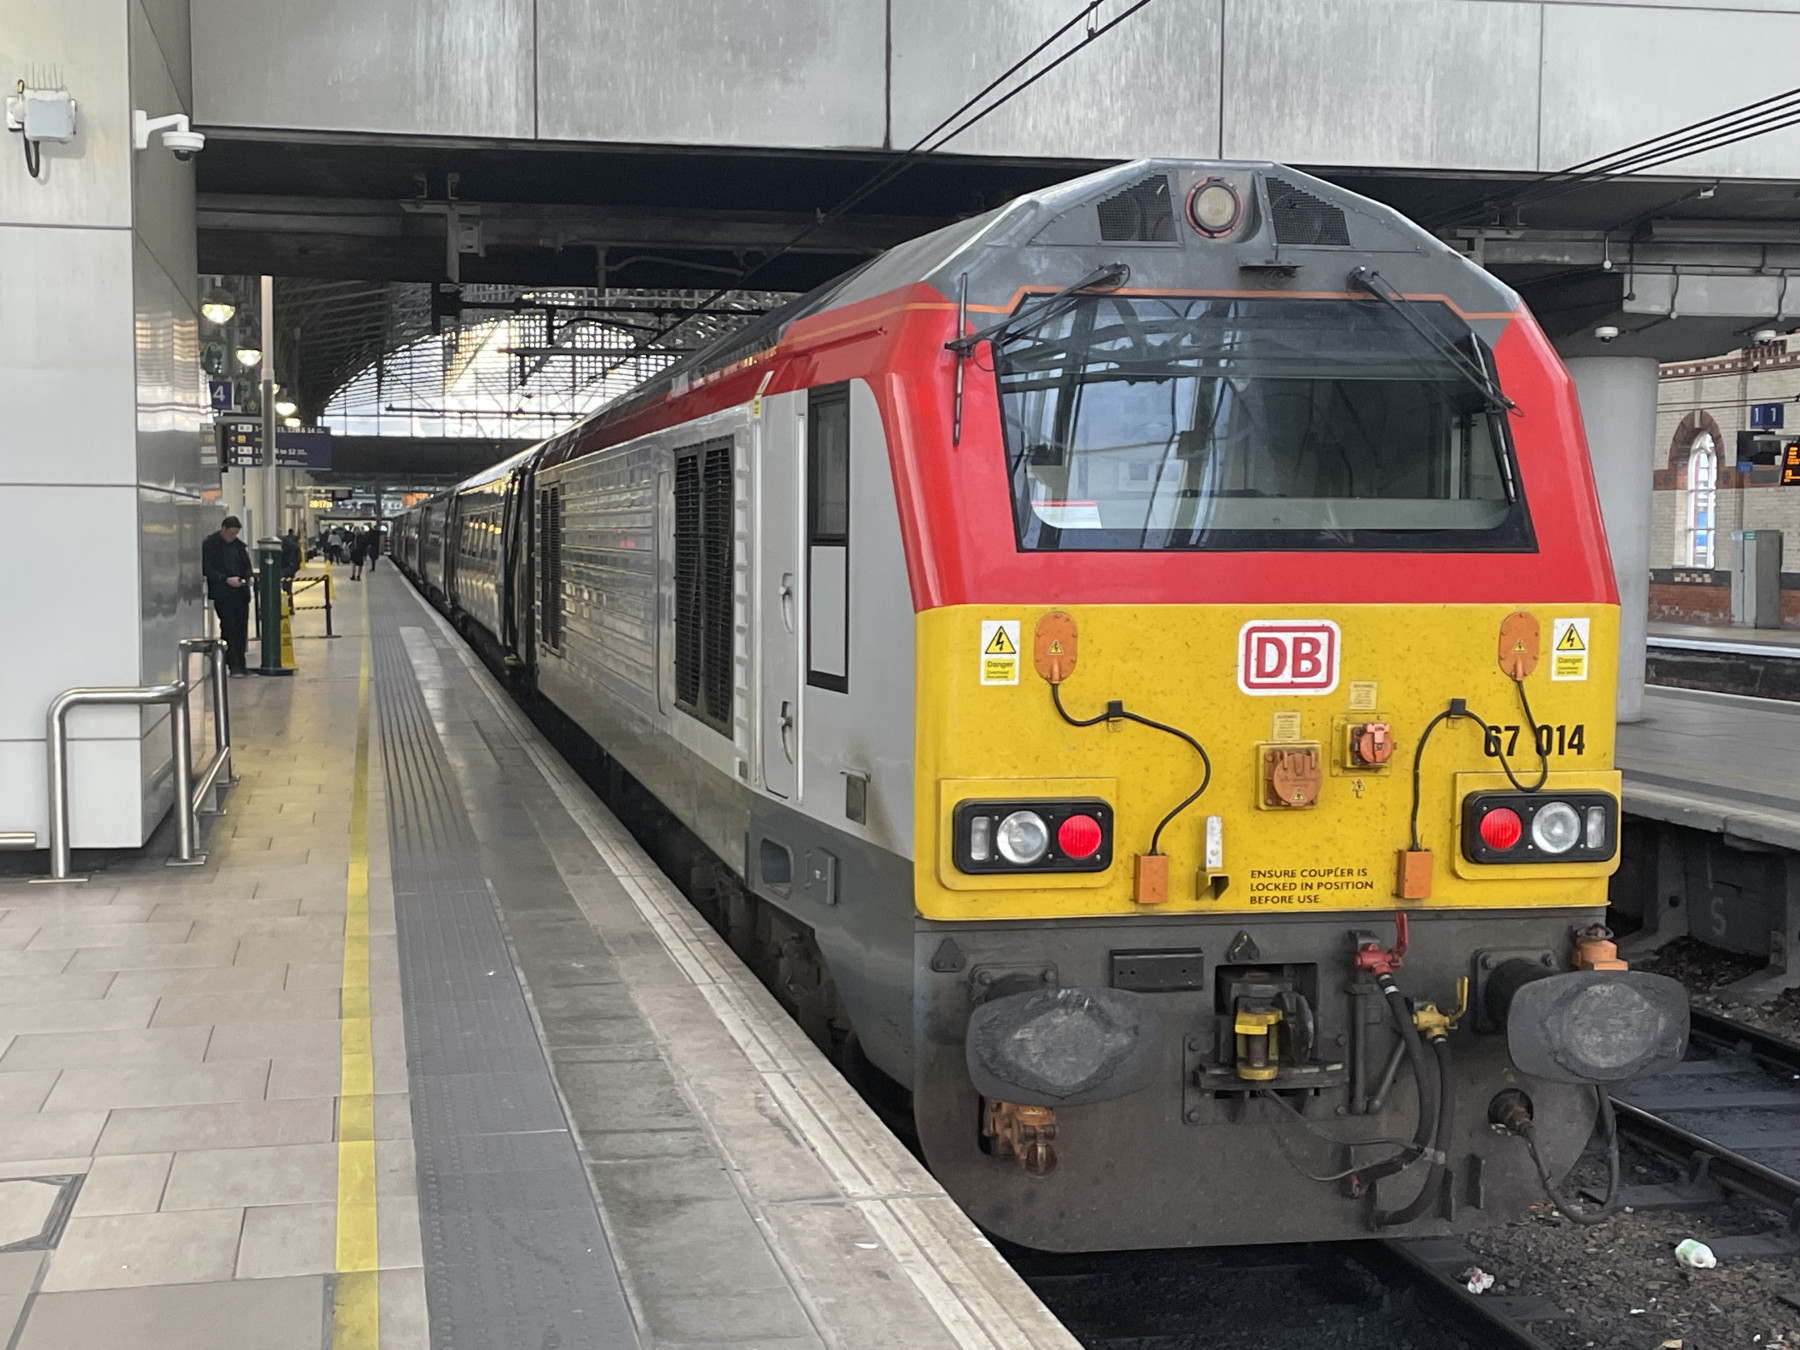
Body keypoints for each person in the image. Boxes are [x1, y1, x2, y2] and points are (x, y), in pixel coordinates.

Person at [202, 515, 254, 675]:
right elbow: (208, 569)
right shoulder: (211, 545)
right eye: (231, 533)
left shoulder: (239, 546)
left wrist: (249, 577)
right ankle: (232, 664)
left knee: (241, 628)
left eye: (235, 534)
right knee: (229, 627)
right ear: (223, 529)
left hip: (240, 593)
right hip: (223, 594)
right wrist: (225, 579)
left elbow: (246, 565)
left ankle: (240, 662)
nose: (233, 537)